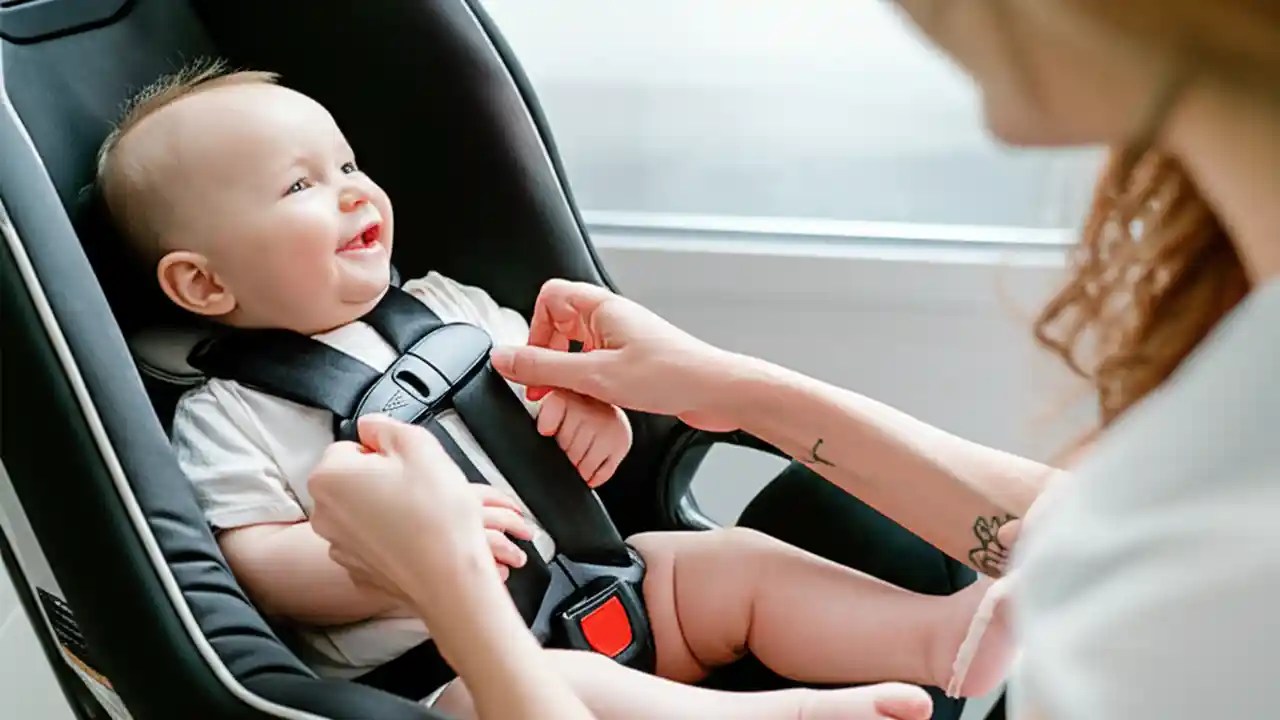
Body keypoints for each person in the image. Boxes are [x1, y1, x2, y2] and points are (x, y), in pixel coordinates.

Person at [312, 0, 1280, 717]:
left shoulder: (1196, 593)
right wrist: (730, 390)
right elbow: (1089, 530)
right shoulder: (1224, 441)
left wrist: (454, 588)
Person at [92, 60, 1017, 719]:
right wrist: (360, 564)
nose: (350, 193)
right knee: (579, 690)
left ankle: (939, 637)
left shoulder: (450, 310)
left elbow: (562, 391)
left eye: (345, 165)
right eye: (299, 185)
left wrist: (587, 413)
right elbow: (249, 557)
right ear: (204, 285)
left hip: (604, 583)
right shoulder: (227, 412)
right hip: (448, 670)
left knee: (730, 566)